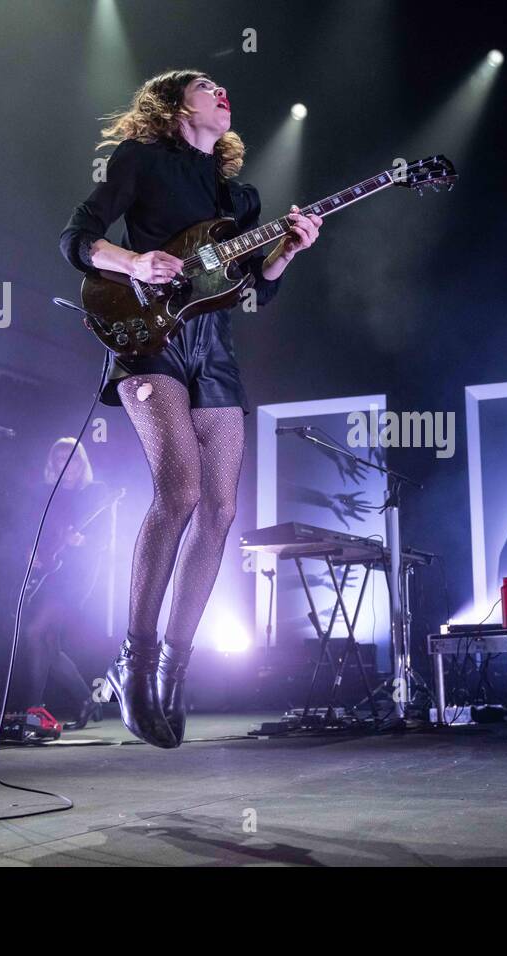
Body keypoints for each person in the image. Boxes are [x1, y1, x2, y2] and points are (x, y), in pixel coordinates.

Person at [58, 69, 321, 747]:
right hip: (148, 340)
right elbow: (78, 238)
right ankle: (134, 659)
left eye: (224, 87)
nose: (223, 91)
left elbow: (251, 288)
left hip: (214, 350)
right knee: (178, 494)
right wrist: (134, 263)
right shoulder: (140, 161)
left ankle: (176, 663)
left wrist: (286, 251)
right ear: (177, 107)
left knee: (223, 510)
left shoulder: (240, 195)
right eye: (207, 86)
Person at [20, 438, 111, 730]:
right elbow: (38, 532)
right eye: (61, 460)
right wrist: (32, 552)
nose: (68, 465)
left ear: (82, 463)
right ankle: (87, 700)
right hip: (51, 572)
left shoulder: (96, 492)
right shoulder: (48, 495)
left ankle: (33, 710)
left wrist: (82, 541)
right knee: (50, 643)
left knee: (35, 633)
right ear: (53, 464)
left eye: (73, 459)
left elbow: (105, 539)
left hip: (77, 575)